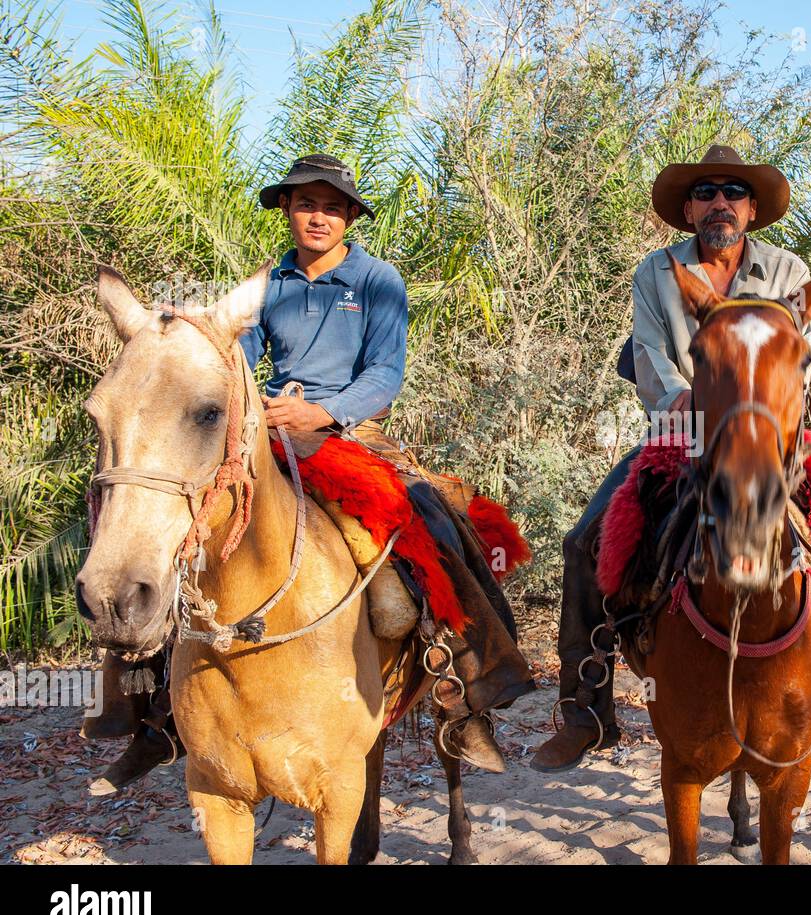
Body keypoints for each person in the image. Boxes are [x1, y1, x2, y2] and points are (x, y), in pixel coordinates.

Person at [84, 155, 534, 790]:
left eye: (330, 205)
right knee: (153, 517)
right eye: (304, 204)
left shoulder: (378, 280)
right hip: (265, 426)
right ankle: (147, 715)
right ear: (288, 212)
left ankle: (466, 686)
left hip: (349, 430)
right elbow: (233, 356)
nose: (316, 216)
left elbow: (384, 374)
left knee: (428, 514)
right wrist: (246, 402)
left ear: (349, 215)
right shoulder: (270, 286)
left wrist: (321, 410)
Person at [530, 144, 811, 774]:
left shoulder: (788, 272)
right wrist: (688, 401)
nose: (720, 202)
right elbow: (650, 356)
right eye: (707, 192)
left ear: (751, 209)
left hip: (776, 437)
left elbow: (799, 359)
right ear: (689, 210)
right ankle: (586, 705)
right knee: (587, 541)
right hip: (683, 431)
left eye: (733, 192)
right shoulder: (656, 273)